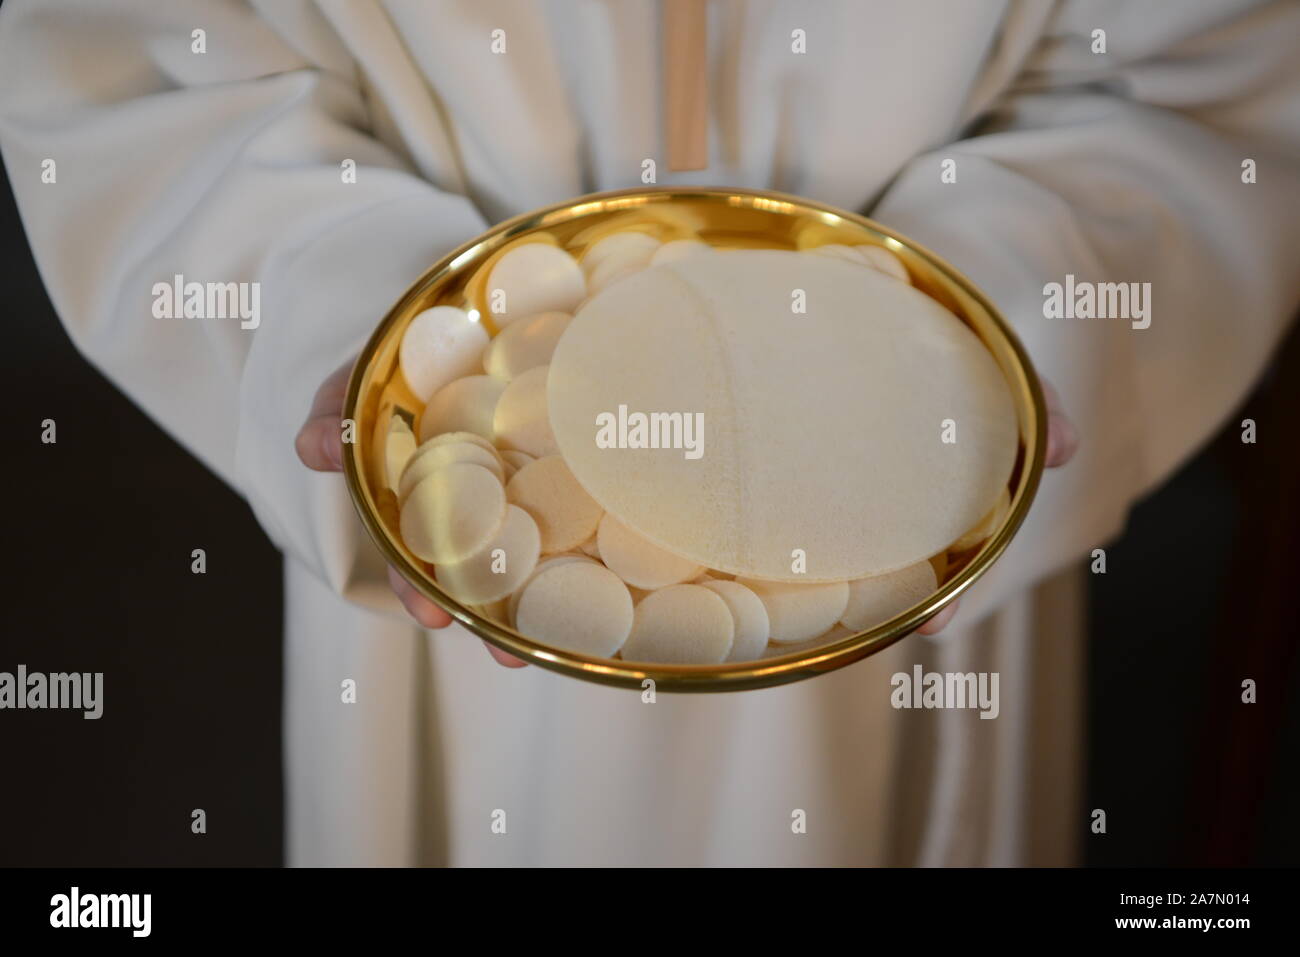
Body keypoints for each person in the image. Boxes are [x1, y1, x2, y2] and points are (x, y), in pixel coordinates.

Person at [1, 0, 1295, 866]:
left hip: (899, 522)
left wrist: (988, 330)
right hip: (465, 498)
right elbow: (137, 68)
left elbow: (1200, 78)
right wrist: (367, 317)